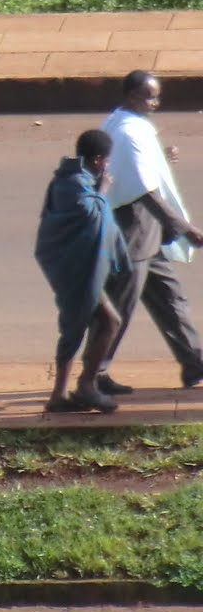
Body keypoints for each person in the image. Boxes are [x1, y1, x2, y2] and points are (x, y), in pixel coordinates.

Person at [98, 70, 203, 394]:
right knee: (119, 309)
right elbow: (144, 191)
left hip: (147, 233)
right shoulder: (128, 131)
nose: (155, 102)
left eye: (156, 95)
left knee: (171, 298)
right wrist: (185, 229)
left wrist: (162, 159)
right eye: (149, 96)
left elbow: (137, 172)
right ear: (131, 96)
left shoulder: (123, 123)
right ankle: (94, 375)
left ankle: (194, 366)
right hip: (131, 234)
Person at [34, 129, 125, 413]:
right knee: (81, 325)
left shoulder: (81, 179)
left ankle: (69, 391)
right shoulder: (72, 183)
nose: (108, 166)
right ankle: (81, 388)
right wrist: (104, 191)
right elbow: (88, 214)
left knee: (102, 322)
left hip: (82, 267)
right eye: (106, 160)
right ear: (98, 160)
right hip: (71, 267)